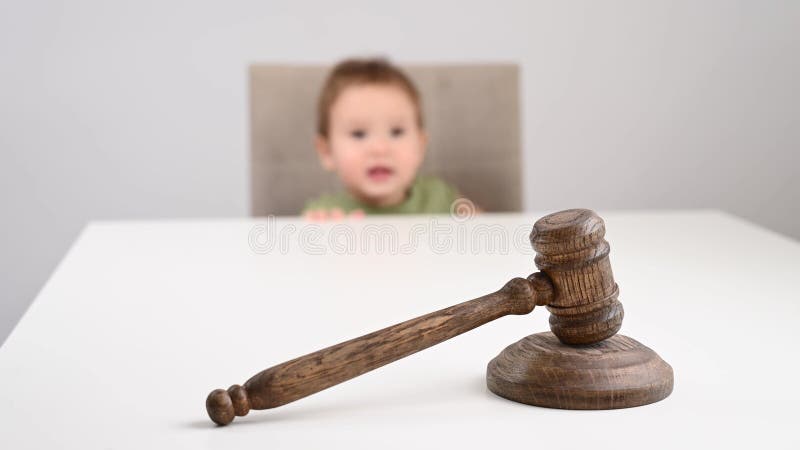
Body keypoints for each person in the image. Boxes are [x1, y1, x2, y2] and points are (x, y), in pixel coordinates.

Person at [302, 58, 467, 220]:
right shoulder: (325, 214)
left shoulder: (441, 199)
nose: (380, 148)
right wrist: (320, 234)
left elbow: (485, 230)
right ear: (327, 152)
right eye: (359, 134)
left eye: (396, 132)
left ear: (420, 146)